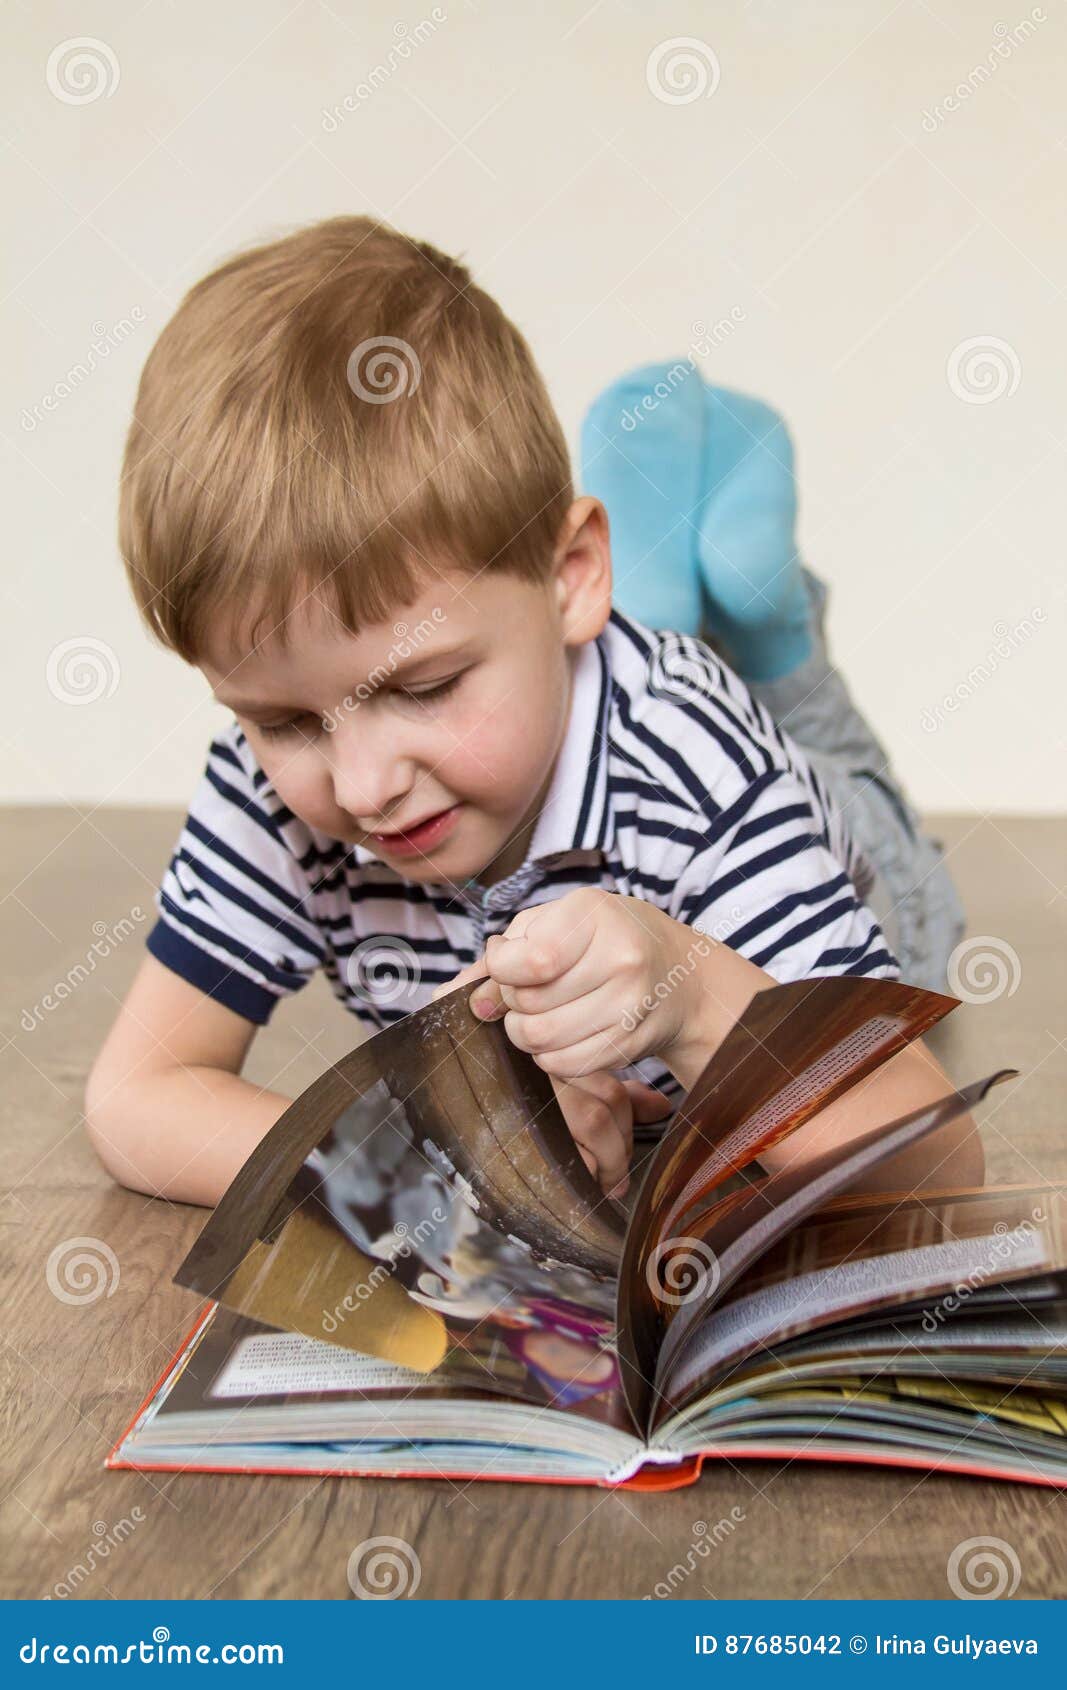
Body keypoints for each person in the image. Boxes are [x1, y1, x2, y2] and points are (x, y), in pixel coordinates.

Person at [85, 215, 982, 1210]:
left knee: (835, 774)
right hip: (593, 675)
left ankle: (773, 637)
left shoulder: (698, 771)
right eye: (287, 722)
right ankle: (659, 588)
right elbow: (135, 1096)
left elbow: (928, 1160)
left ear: (568, 578)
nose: (361, 784)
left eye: (422, 689)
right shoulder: (278, 792)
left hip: (853, 854)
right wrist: (402, 1162)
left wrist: (686, 993)